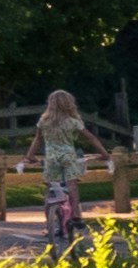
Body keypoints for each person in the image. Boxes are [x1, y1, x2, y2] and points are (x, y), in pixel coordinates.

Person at [27, 88, 95, 257]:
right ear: (69, 104)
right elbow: (90, 137)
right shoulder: (72, 121)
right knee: (71, 184)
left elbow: (37, 139)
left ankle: (49, 225)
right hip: (68, 157)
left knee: (50, 190)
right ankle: (77, 215)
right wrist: (105, 154)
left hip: (51, 159)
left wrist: (30, 156)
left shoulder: (44, 121)